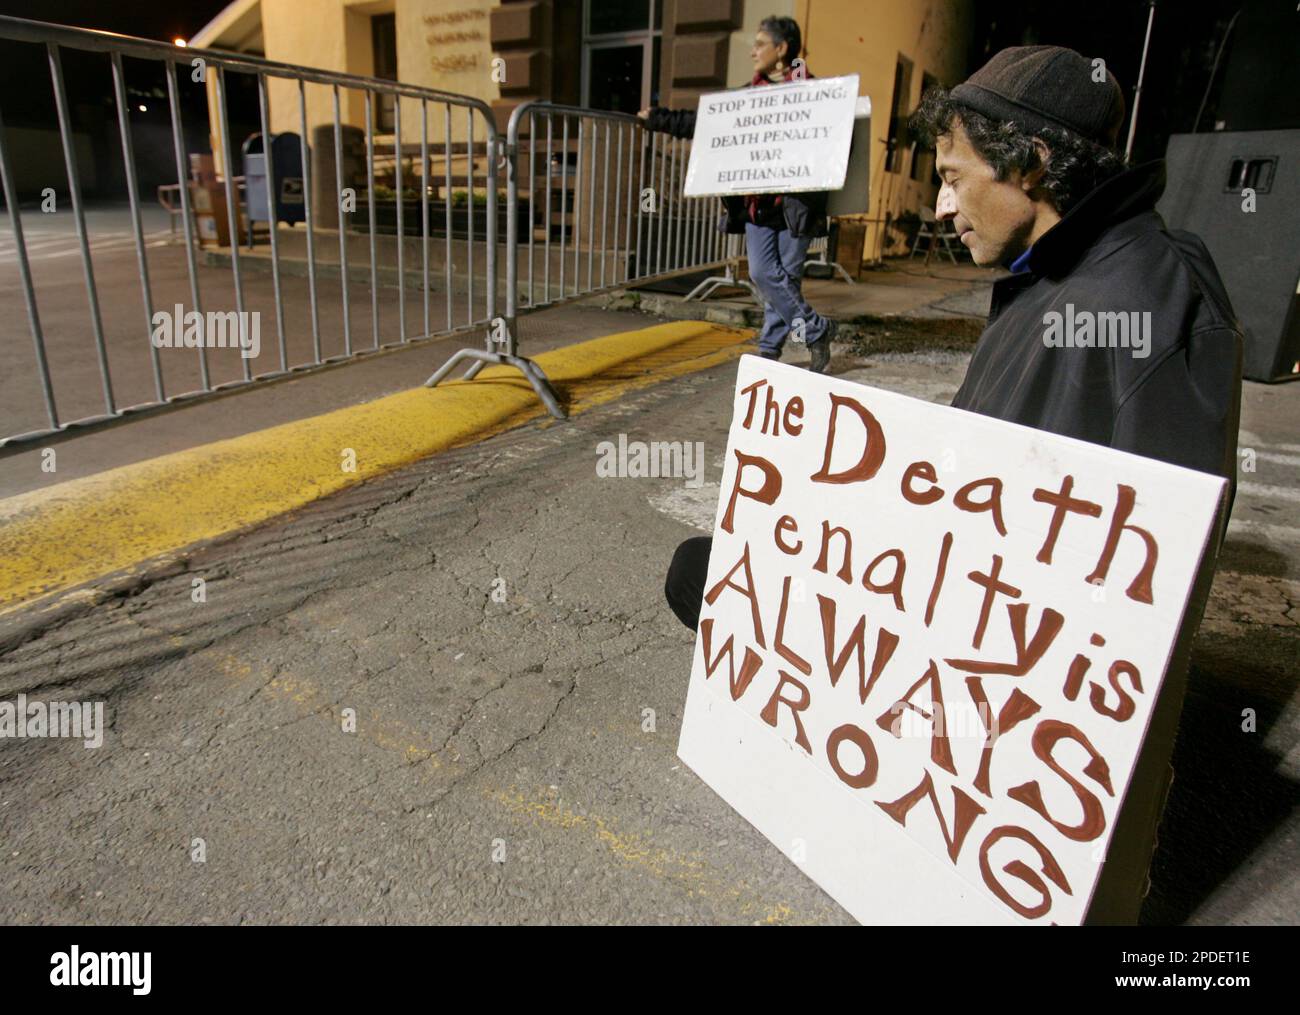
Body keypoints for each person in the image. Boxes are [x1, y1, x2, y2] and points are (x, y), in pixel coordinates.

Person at [664, 44, 1242, 634]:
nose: (941, 208)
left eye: (952, 178)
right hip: (954, 567)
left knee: (703, 574)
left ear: (1030, 163)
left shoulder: (1154, 298)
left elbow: (1161, 572)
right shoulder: (1053, 272)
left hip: (993, 624)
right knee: (717, 558)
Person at [638, 15, 838, 374]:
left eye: (760, 43)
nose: (753, 51)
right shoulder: (747, 97)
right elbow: (705, 125)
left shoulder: (815, 95)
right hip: (757, 206)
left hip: (796, 206)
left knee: (786, 280)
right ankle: (817, 330)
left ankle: (768, 350)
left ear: (781, 49)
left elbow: (833, 144)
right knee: (764, 274)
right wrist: (660, 118)